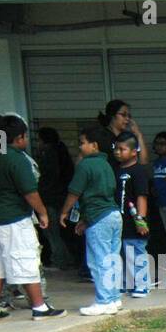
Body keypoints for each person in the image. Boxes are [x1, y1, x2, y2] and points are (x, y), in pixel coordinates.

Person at [0, 115, 65, 323]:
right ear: (20, 138)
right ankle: (39, 306)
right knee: (26, 258)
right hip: (12, 217)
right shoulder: (17, 159)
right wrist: (43, 213)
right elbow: (30, 192)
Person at [61, 125, 123, 316]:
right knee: (112, 259)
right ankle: (113, 299)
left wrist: (64, 212)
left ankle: (103, 301)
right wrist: (86, 220)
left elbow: (75, 192)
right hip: (113, 215)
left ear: (94, 145)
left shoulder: (86, 165)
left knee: (98, 261)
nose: (80, 147)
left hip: (99, 218)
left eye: (82, 143)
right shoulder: (107, 165)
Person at [113, 131, 152, 298]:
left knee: (136, 251)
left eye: (122, 149)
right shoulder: (114, 170)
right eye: (116, 148)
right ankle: (125, 282)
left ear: (133, 151)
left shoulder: (138, 171)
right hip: (118, 220)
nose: (118, 152)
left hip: (134, 220)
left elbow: (141, 196)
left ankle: (142, 283)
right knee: (121, 252)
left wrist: (140, 220)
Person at [34, 127, 75, 270]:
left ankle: (59, 260)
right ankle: (67, 258)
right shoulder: (61, 152)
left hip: (50, 198)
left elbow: (47, 178)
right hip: (62, 197)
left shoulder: (48, 154)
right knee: (60, 231)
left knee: (52, 232)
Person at [94, 100, 148, 168]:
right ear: (112, 115)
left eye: (129, 116)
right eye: (123, 115)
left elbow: (143, 161)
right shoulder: (100, 135)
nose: (127, 118)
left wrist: (139, 135)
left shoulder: (127, 137)